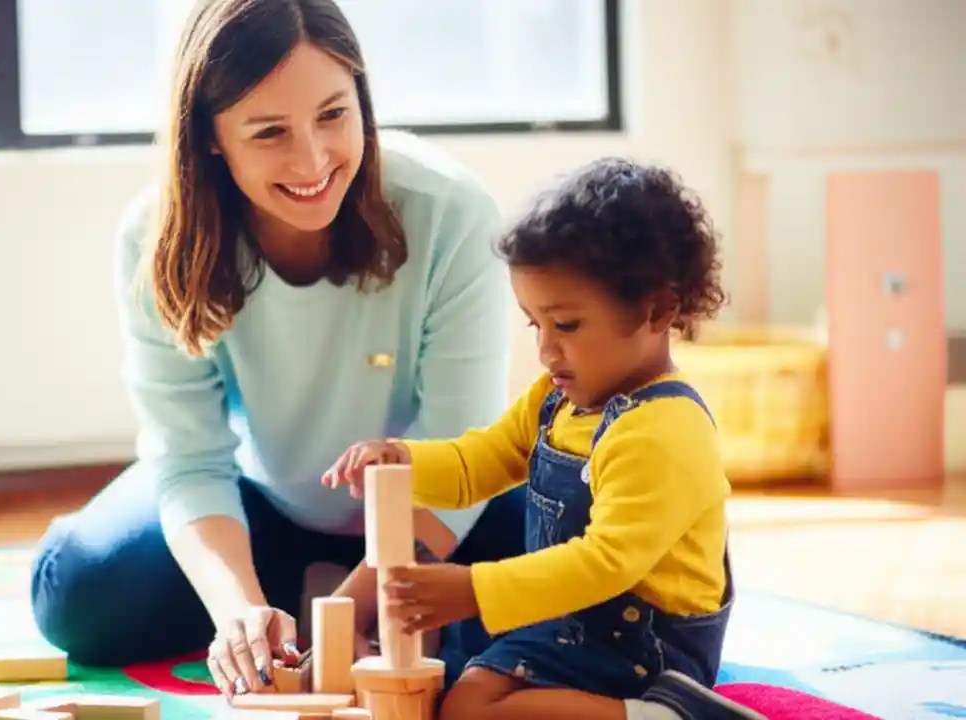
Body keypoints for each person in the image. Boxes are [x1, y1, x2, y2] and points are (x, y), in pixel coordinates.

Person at [29, 0, 527, 701]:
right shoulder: (154, 238)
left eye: (333, 114)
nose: (312, 159)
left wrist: (354, 609)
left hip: (433, 507)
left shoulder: (450, 211)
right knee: (75, 592)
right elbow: (189, 457)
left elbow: (460, 439)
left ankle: (332, 593)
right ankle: (301, 590)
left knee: (613, 565)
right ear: (209, 139)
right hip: (257, 504)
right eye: (269, 133)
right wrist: (237, 615)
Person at [324, 158, 768, 720]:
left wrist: (473, 589)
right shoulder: (554, 400)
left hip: (649, 652)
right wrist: (403, 460)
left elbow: (606, 563)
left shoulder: (663, 429)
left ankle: (671, 714)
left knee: (481, 714)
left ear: (655, 309)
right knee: (462, 702)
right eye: (536, 324)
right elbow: (477, 462)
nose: (546, 350)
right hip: (568, 625)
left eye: (568, 325)